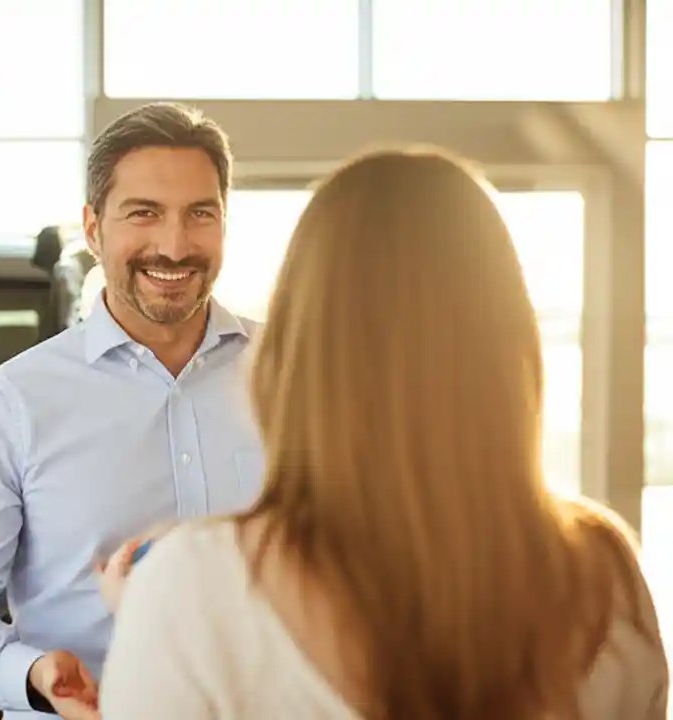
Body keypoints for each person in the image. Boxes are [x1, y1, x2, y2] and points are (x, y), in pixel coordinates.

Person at [96, 147, 669, 719]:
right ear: (511, 348)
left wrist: (159, 622)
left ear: (297, 354)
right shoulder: (605, 570)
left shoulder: (193, 587)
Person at [0, 102, 266, 719]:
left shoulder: (296, 375)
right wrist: (30, 672)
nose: (174, 245)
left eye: (200, 214)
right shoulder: (18, 398)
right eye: (144, 214)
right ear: (94, 227)